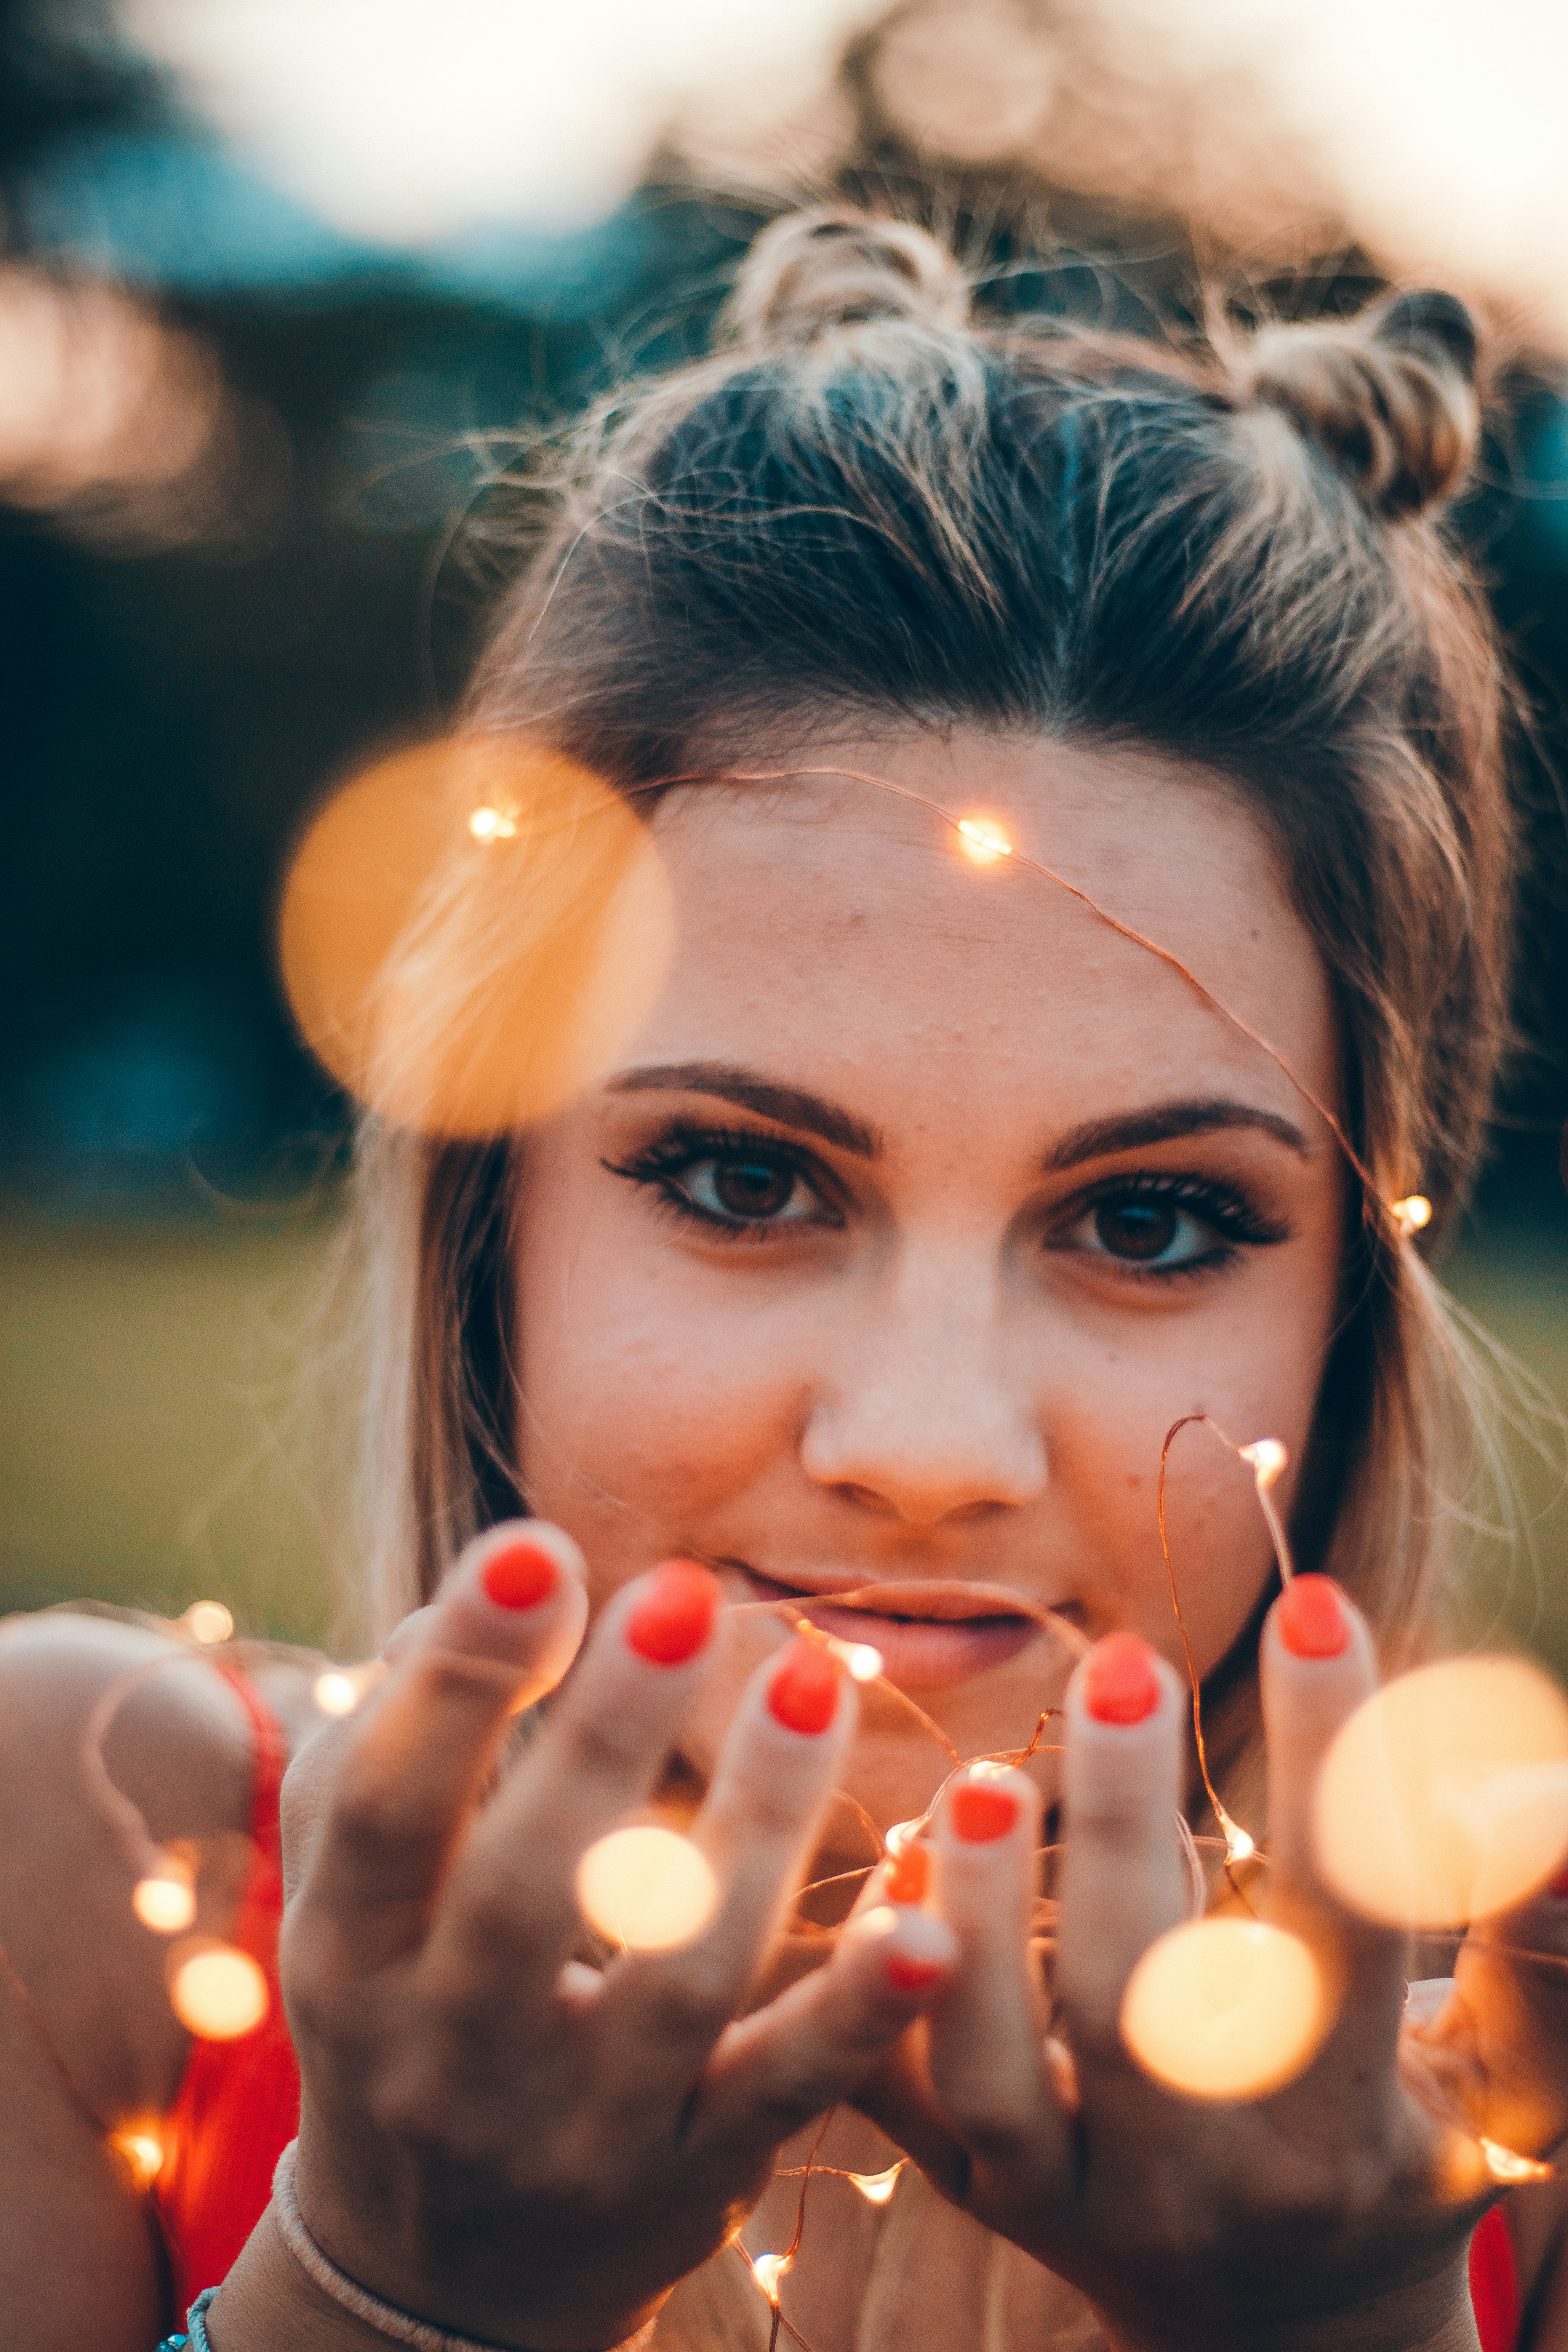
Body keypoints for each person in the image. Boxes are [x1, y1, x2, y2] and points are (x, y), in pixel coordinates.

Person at [2, 205, 1566, 2352]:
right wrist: (378, 2292)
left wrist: (1353, 2323)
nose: (924, 1449)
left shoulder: (1513, 2088)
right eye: (744, 1179)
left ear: (1359, 1294)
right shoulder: (85, 1867)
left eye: (1150, 1221)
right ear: (494, 1214)